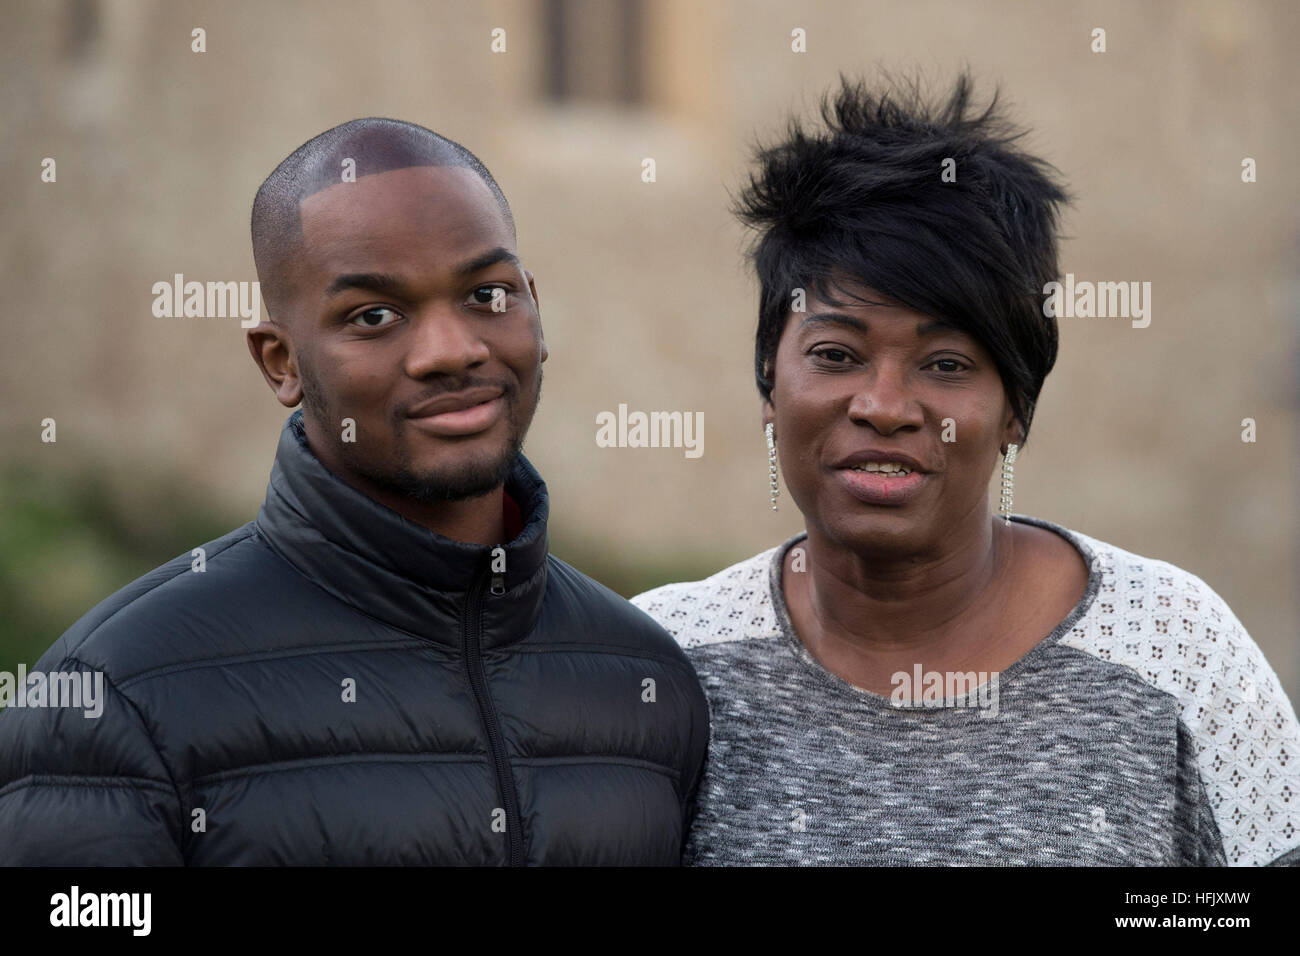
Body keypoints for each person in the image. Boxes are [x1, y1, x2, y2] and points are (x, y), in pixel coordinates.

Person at [631, 73, 1300, 866]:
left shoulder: (1175, 652)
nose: (885, 405)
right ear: (769, 385)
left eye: (946, 363)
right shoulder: (664, 663)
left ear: (1016, 409)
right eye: (836, 354)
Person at [0, 118, 708, 865]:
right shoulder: (115, 695)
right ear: (281, 362)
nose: (452, 350)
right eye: (374, 316)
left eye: (487, 295)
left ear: (533, 308)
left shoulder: (644, 683)